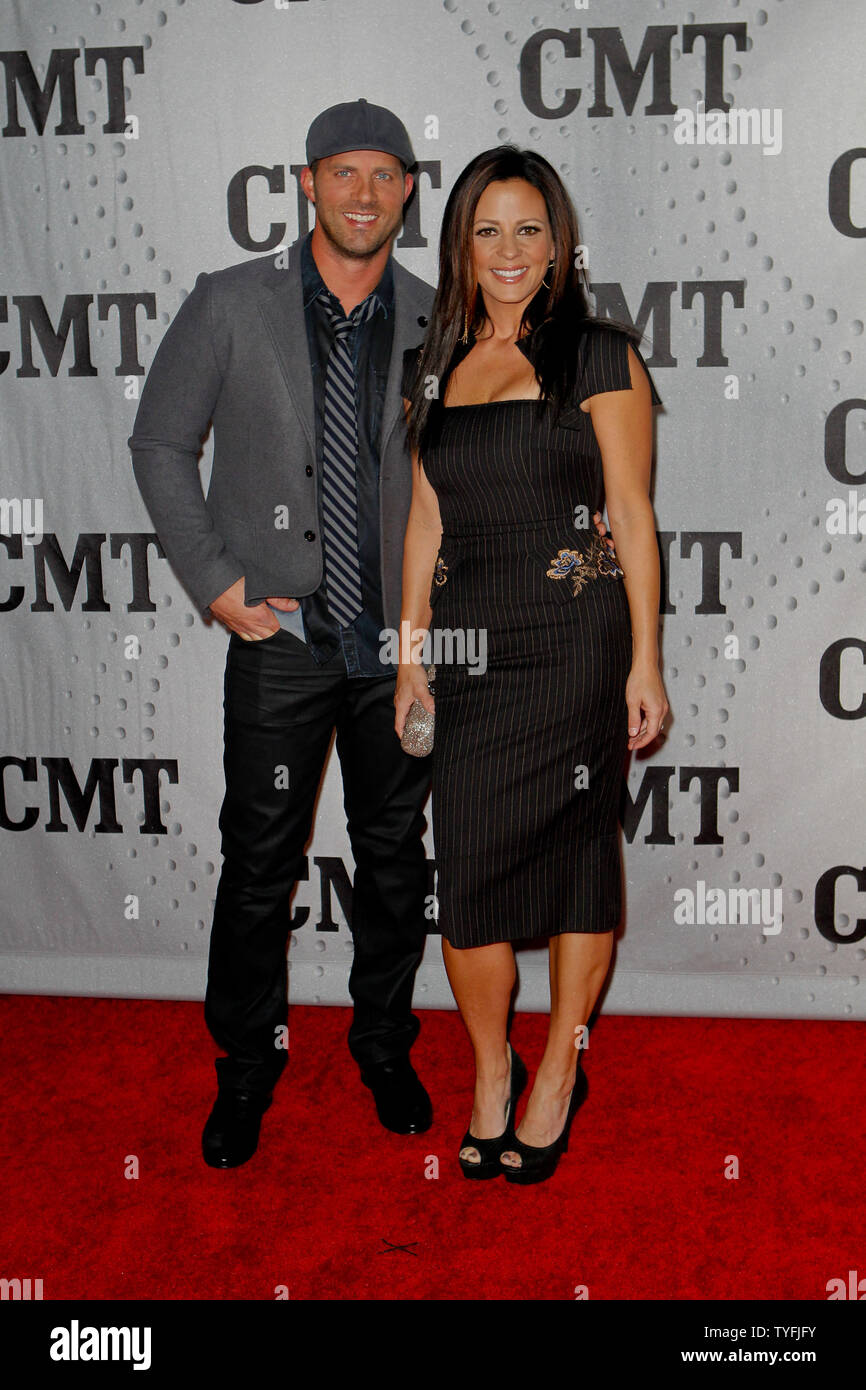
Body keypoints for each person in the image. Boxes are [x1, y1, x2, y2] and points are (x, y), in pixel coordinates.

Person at [129, 99, 439, 1167]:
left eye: (383, 174)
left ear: (408, 189)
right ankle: (248, 1067)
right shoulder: (229, 303)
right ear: (303, 183)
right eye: (340, 172)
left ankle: (384, 1045)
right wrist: (214, 582)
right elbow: (161, 440)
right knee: (260, 862)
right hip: (280, 640)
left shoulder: (437, 318)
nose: (362, 193)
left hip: (397, 649)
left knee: (394, 857)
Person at [396, 145, 668, 1184]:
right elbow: (423, 516)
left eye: (527, 229)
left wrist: (644, 659)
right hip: (469, 650)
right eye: (486, 229)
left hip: (573, 642)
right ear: (461, 244)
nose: (507, 250)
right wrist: (411, 658)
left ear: (557, 244)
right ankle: (488, 1070)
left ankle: (557, 1068)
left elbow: (634, 519)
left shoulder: (599, 354)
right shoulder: (437, 362)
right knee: (463, 872)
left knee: (576, 861)